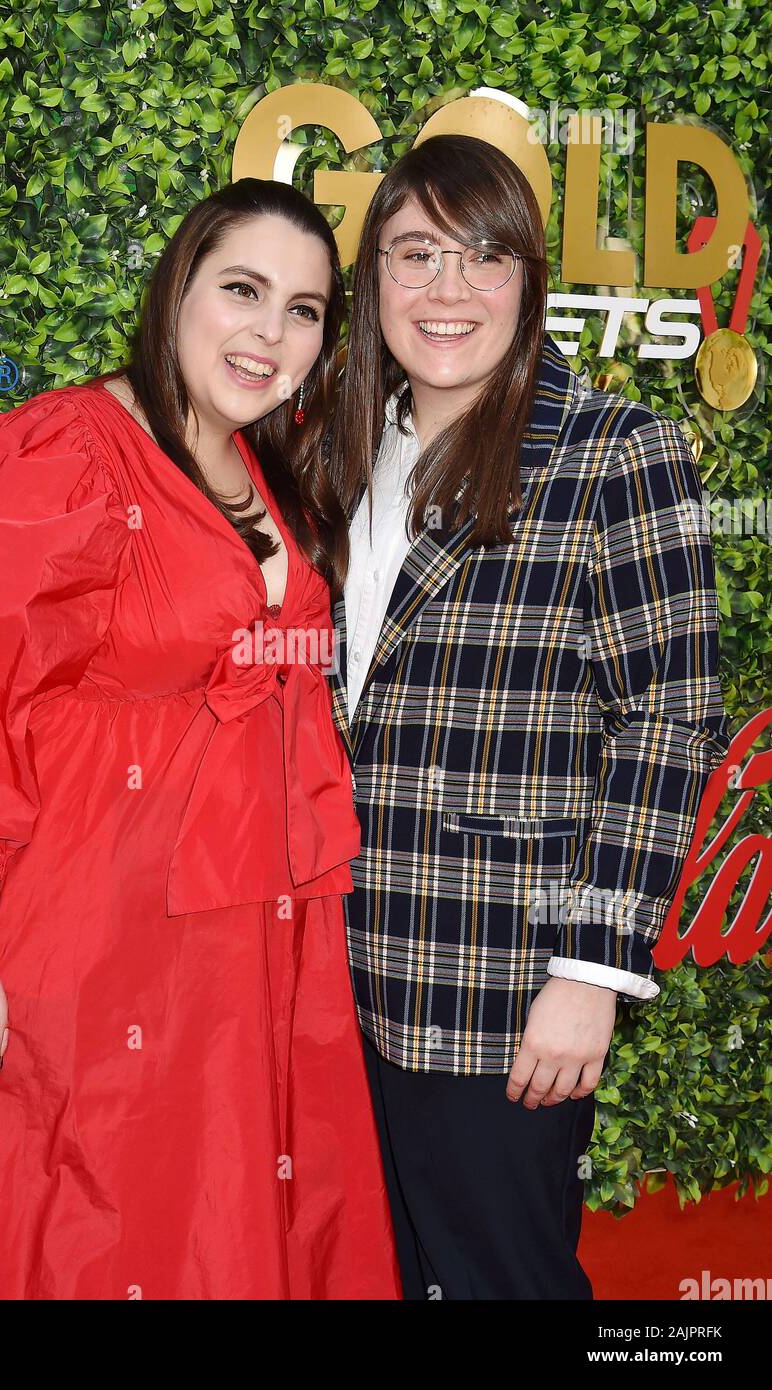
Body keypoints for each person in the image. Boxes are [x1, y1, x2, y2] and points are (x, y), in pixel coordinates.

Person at [0, 178, 400, 1300]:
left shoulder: (267, 466)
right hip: (61, 945)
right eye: (243, 289)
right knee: (44, 1230)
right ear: (179, 286)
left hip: (223, 961)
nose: (273, 333)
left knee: (193, 1237)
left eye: (307, 309)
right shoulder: (65, 452)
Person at [328, 134, 730, 1299]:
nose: (447, 291)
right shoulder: (343, 449)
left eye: (483, 257)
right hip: (336, 976)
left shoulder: (614, 450)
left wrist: (595, 967)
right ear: (375, 283)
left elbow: (667, 717)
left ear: (529, 281)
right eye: (414, 255)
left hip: (502, 986)